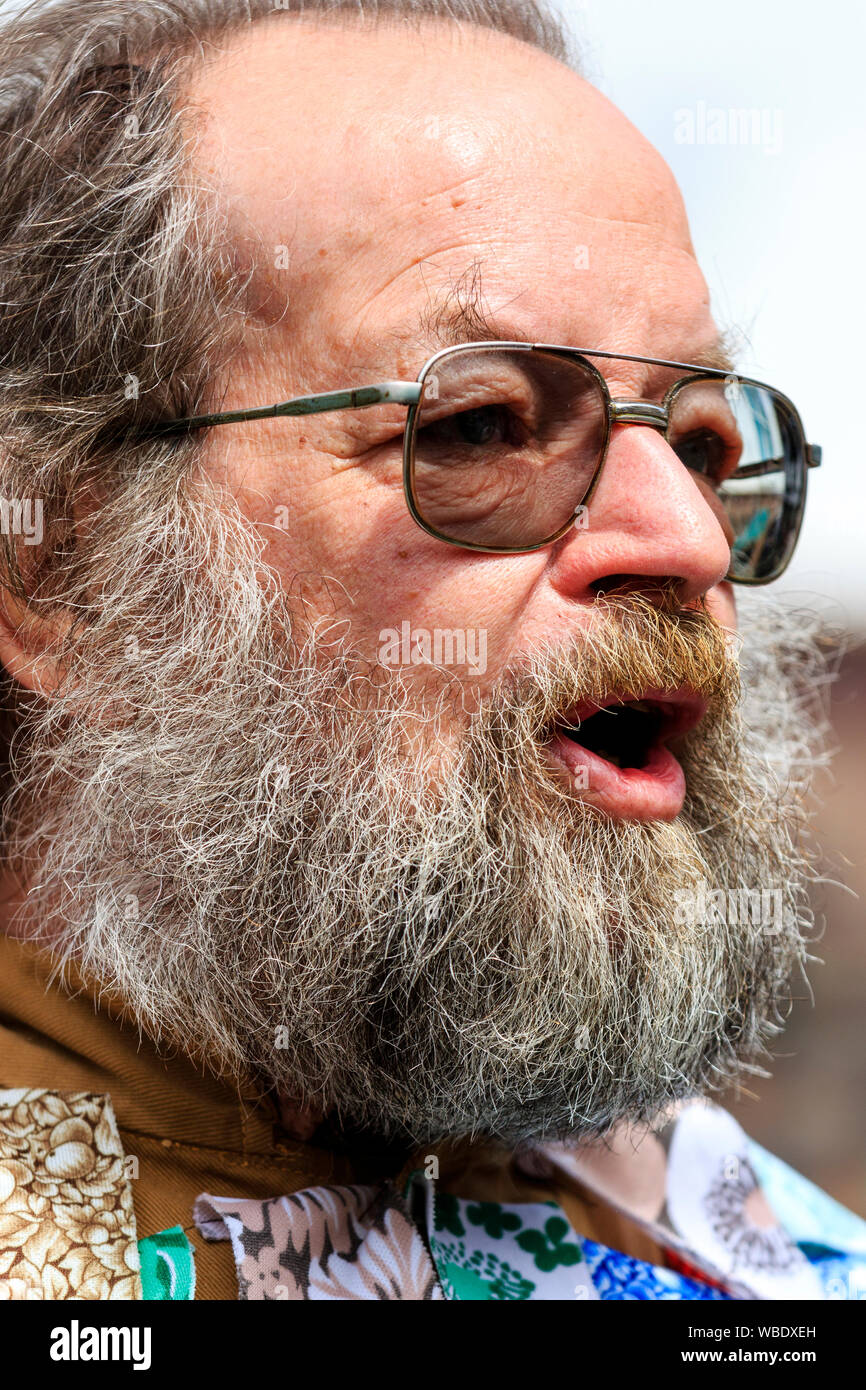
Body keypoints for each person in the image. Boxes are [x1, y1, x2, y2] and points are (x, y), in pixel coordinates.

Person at [0, 0, 862, 1301]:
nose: (688, 539)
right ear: (61, 573)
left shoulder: (765, 1255)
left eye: (700, 444)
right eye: (480, 425)